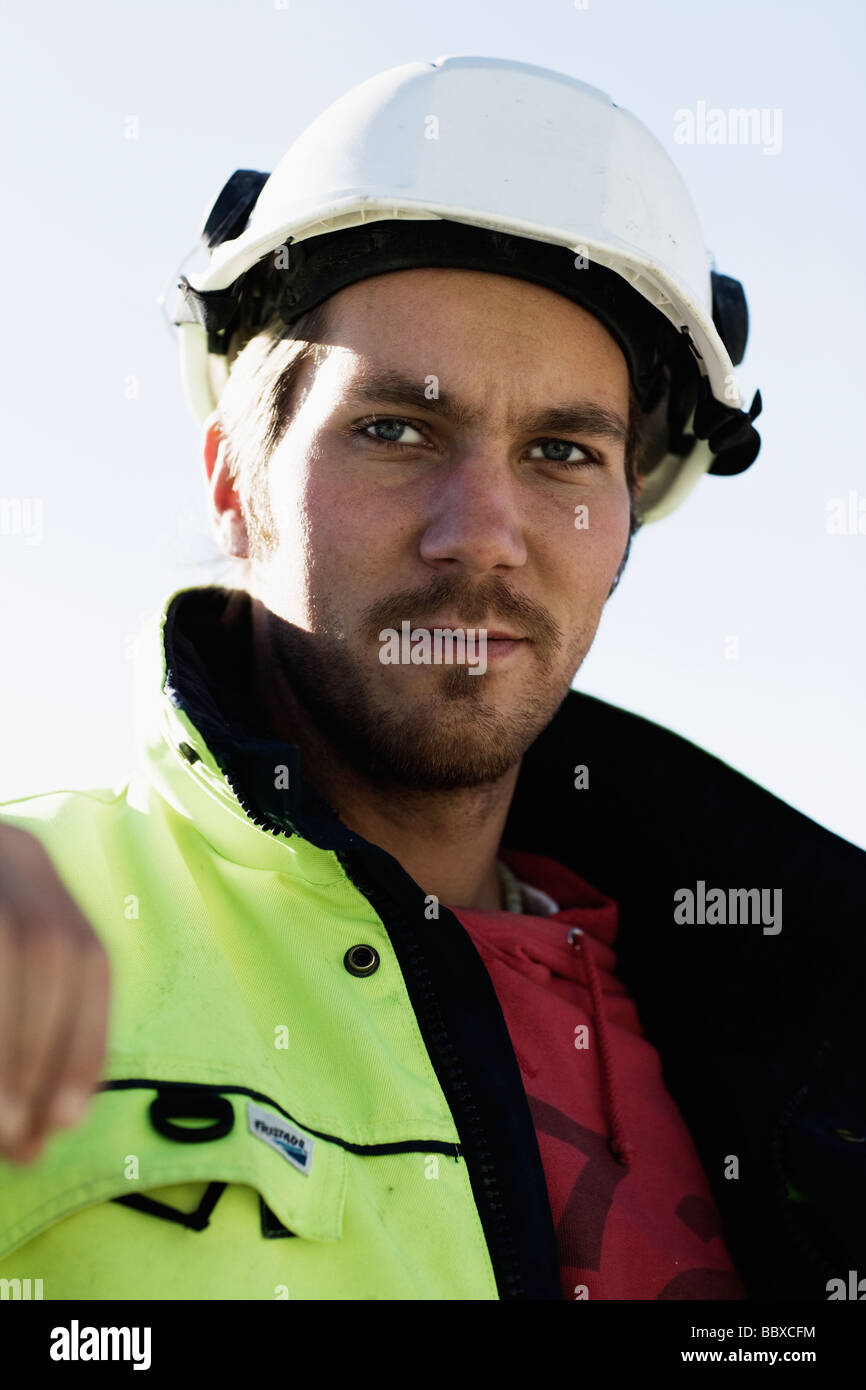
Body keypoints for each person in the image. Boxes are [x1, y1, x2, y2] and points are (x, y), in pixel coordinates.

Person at [0, 54, 862, 1303]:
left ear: (623, 527)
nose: (482, 533)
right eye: (396, 429)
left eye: (562, 451)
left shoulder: (801, 1016)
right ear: (234, 484)